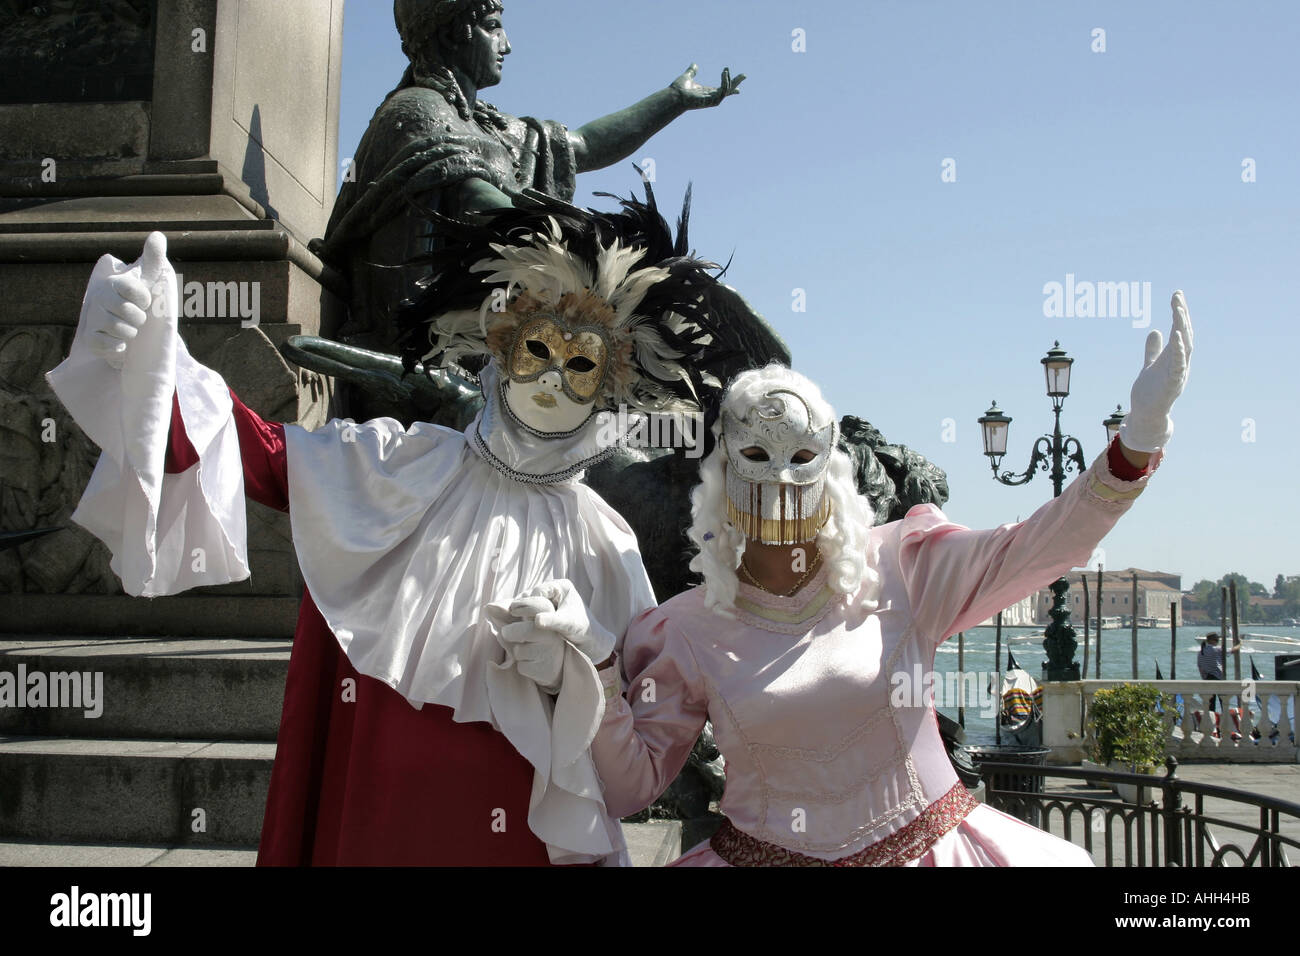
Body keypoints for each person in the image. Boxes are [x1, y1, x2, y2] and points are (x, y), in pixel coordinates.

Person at [45, 191, 728, 865]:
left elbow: (633, 767)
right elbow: (257, 454)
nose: (553, 373)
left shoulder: (605, 541)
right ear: (499, 346)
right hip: (374, 821)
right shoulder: (399, 463)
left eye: (581, 363)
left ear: (610, 387)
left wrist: (583, 671)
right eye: (538, 346)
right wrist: (151, 362)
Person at [538, 295, 1192, 866]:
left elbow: (1039, 546)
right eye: (756, 456)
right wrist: (592, 666)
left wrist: (1135, 444)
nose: (782, 479)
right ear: (724, 476)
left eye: (802, 457)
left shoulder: (908, 566)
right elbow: (629, 787)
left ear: (830, 469)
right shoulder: (683, 627)